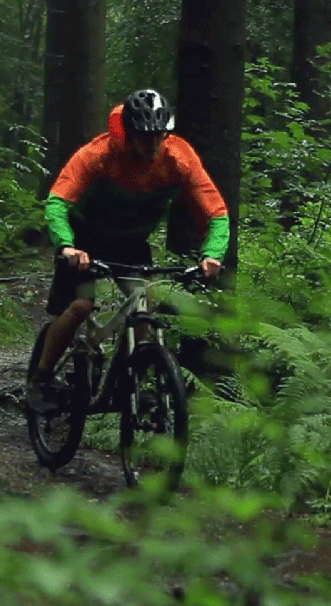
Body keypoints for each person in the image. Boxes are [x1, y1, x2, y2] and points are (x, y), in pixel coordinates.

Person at [27, 88, 230, 409]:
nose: (153, 144)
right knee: (80, 307)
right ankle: (41, 378)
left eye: (159, 135)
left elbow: (216, 212)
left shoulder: (179, 158)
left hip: (130, 242)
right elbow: (57, 202)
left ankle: (130, 380)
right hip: (84, 240)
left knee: (143, 306)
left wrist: (212, 255)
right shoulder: (98, 155)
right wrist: (66, 246)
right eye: (144, 137)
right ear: (129, 133)